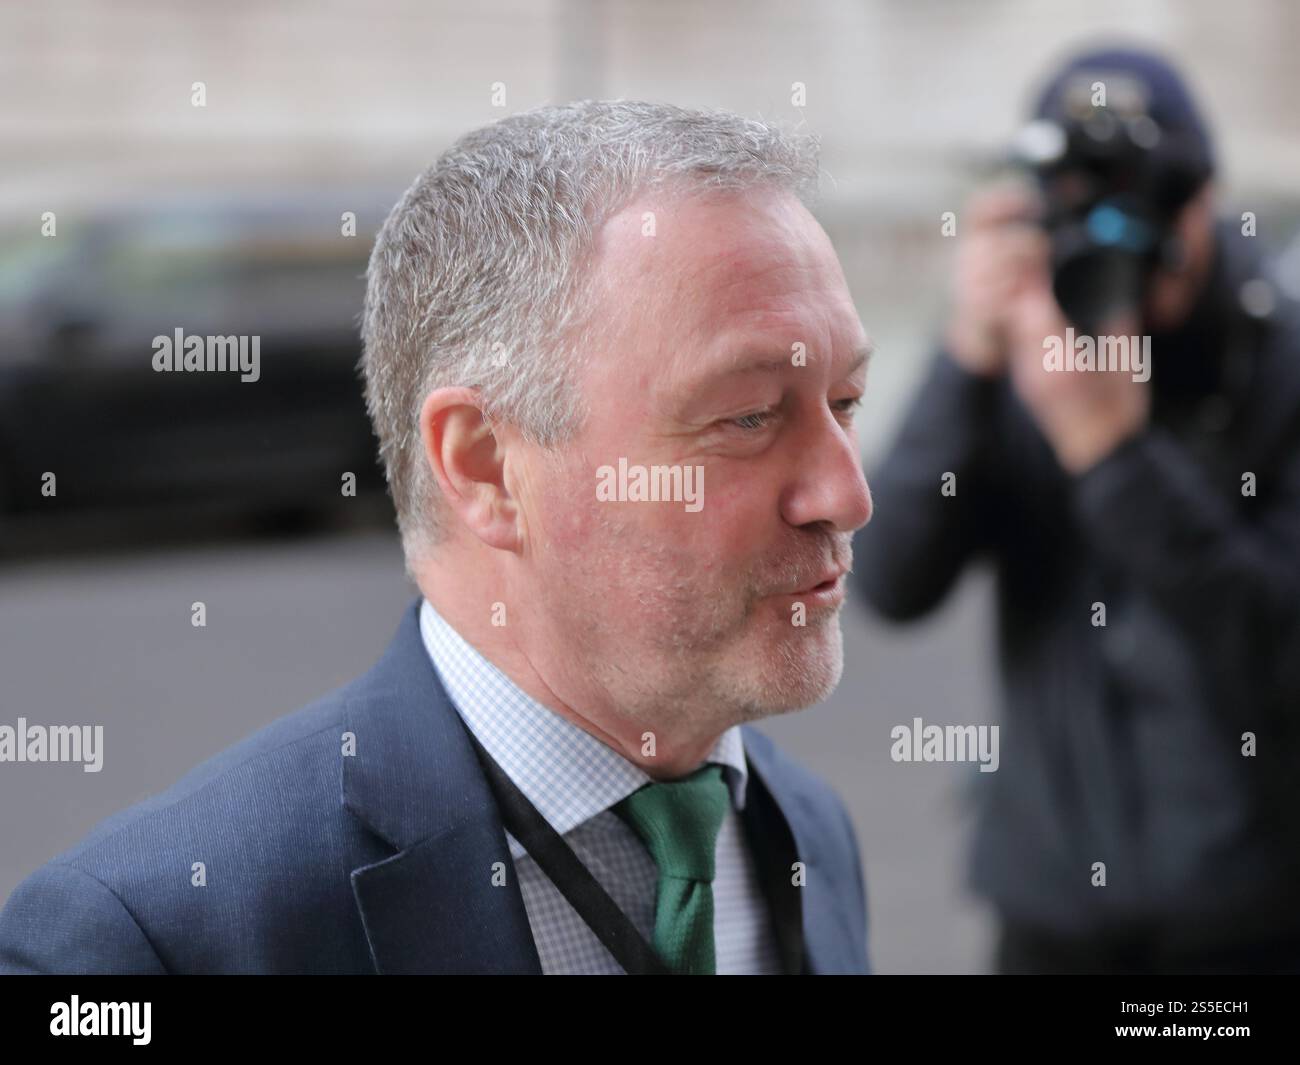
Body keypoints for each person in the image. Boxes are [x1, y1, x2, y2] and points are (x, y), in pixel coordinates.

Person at [0, 101, 874, 975]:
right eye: (749, 415)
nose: (847, 494)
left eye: (845, 404)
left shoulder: (806, 830)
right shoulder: (149, 942)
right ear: (488, 466)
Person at [855, 45, 1300, 974]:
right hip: (1050, 904)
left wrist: (1112, 455)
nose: (1118, 254)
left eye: (1146, 211)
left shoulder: (1278, 358)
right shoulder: (1030, 341)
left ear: (1206, 200)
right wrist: (967, 351)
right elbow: (892, 579)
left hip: (1249, 916)